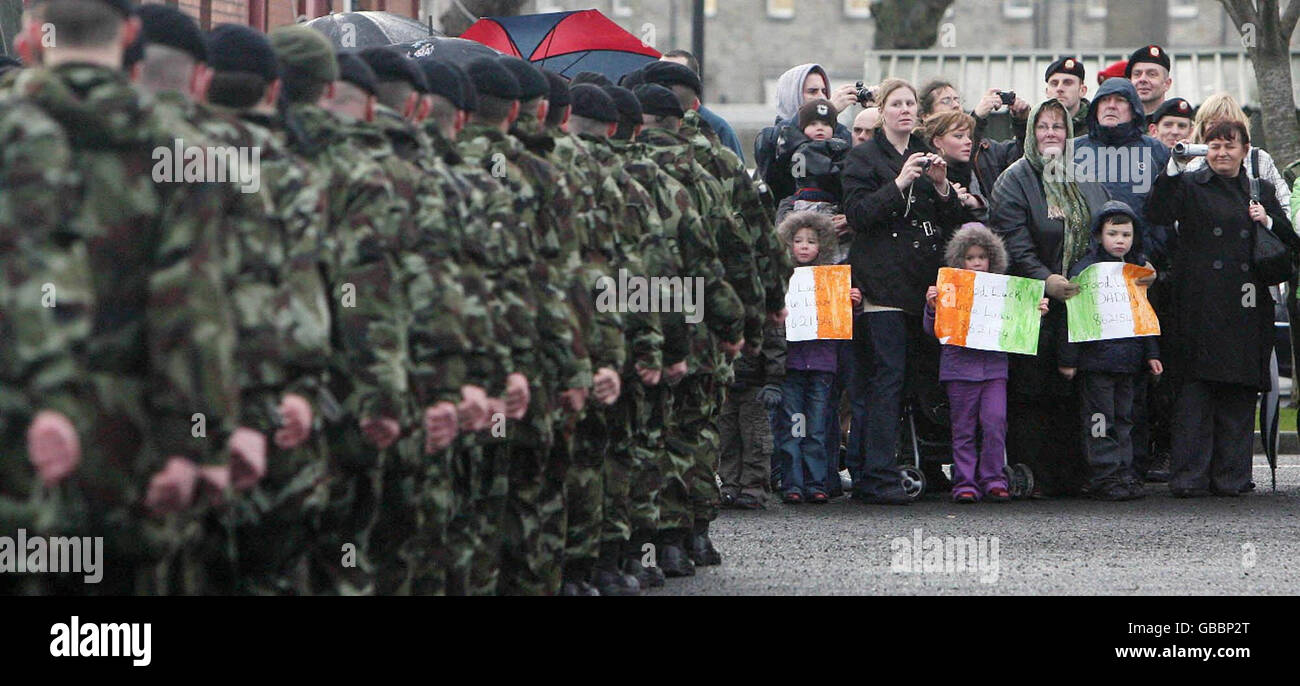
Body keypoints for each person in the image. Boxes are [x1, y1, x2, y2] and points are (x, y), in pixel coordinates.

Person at [1148, 119, 1299, 496]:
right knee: (1193, 399)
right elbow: (1157, 213)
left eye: (1230, 146)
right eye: (1214, 145)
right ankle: (1189, 477)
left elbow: (1289, 248)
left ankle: (1231, 477)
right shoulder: (1188, 185)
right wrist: (1172, 168)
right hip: (1196, 308)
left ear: (1245, 151)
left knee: (1236, 398)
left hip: (1245, 311)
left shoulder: (1259, 189)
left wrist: (1268, 220)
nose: (1221, 153)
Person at [841, 78, 966, 505]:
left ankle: (926, 467)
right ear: (882, 110)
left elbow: (952, 225)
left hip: (923, 284)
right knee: (886, 381)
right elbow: (857, 215)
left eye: (910, 103)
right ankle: (875, 475)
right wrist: (898, 182)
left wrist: (943, 185)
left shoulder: (927, 151)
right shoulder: (862, 157)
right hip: (881, 286)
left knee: (923, 381)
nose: (905, 110)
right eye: (896, 104)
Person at [989, 98, 1110, 497]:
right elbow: (1012, 244)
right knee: (1033, 391)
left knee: (1074, 391)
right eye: (1043, 127)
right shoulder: (1015, 179)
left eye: (1059, 127)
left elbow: (1103, 231)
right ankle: (1033, 474)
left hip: (1080, 304)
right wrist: (1045, 280)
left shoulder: (1085, 177)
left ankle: (1073, 475)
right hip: (1032, 303)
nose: (1051, 134)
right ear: (1030, 133)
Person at [923, 223, 1045, 503]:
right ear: (959, 260)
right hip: (959, 370)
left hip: (993, 370)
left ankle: (993, 478)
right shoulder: (949, 289)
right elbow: (933, 331)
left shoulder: (1002, 290)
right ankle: (965, 481)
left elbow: (1018, 327)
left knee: (994, 422)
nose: (977, 263)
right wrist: (932, 308)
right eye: (970, 258)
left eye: (982, 257)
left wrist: (1035, 311)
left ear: (992, 259)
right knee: (963, 428)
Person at [1058, 201, 1163, 501]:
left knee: (1126, 419)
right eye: (1113, 233)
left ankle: (1126, 471)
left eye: (1126, 235)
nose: (1120, 240)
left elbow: (1143, 313)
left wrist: (1151, 353)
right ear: (1098, 235)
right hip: (1096, 363)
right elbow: (1073, 315)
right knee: (1099, 419)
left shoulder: (1138, 271)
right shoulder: (1086, 270)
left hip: (1130, 360)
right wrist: (1069, 359)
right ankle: (1104, 474)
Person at [774, 212, 853, 504]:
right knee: (794, 424)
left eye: (811, 241)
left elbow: (842, 320)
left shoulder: (830, 280)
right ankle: (793, 482)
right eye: (798, 241)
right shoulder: (782, 278)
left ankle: (817, 481)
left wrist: (850, 303)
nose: (804, 246)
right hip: (791, 365)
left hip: (821, 365)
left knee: (818, 426)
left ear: (823, 245)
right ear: (787, 244)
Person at [755, 63, 854, 201]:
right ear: (791, 94)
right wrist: (827, 109)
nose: (821, 98)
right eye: (812, 91)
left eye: (824, 91)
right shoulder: (770, 137)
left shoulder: (840, 134)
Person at [1187, 92, 1289, 210]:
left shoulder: (1258, 159)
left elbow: (1285, 205)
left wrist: (1267, 221)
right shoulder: (1193, 166)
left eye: (1227, 124)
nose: (1220, 130)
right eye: (1213, 124)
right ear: (1202, 128)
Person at [661, 48, 746, 162]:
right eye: (658, 76)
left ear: (693, 82)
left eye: (675, 78)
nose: (665, 85)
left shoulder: (717, 128)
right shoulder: (647, 121)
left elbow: (738, 176)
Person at [923, 110, 988, 221]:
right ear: (937, 142)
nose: (968, 142)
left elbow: (988, 216)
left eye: (969, 136)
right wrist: (947, 195)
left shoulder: (968, 171)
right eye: (959, 136)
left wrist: (974, 201)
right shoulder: (923, 172)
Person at [1126, 45, 1173, 125]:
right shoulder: (1120, 123)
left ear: (1167, 84)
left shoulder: (1178, 125)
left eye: (1152, 74)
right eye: (1137, 74)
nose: (1143, 79)